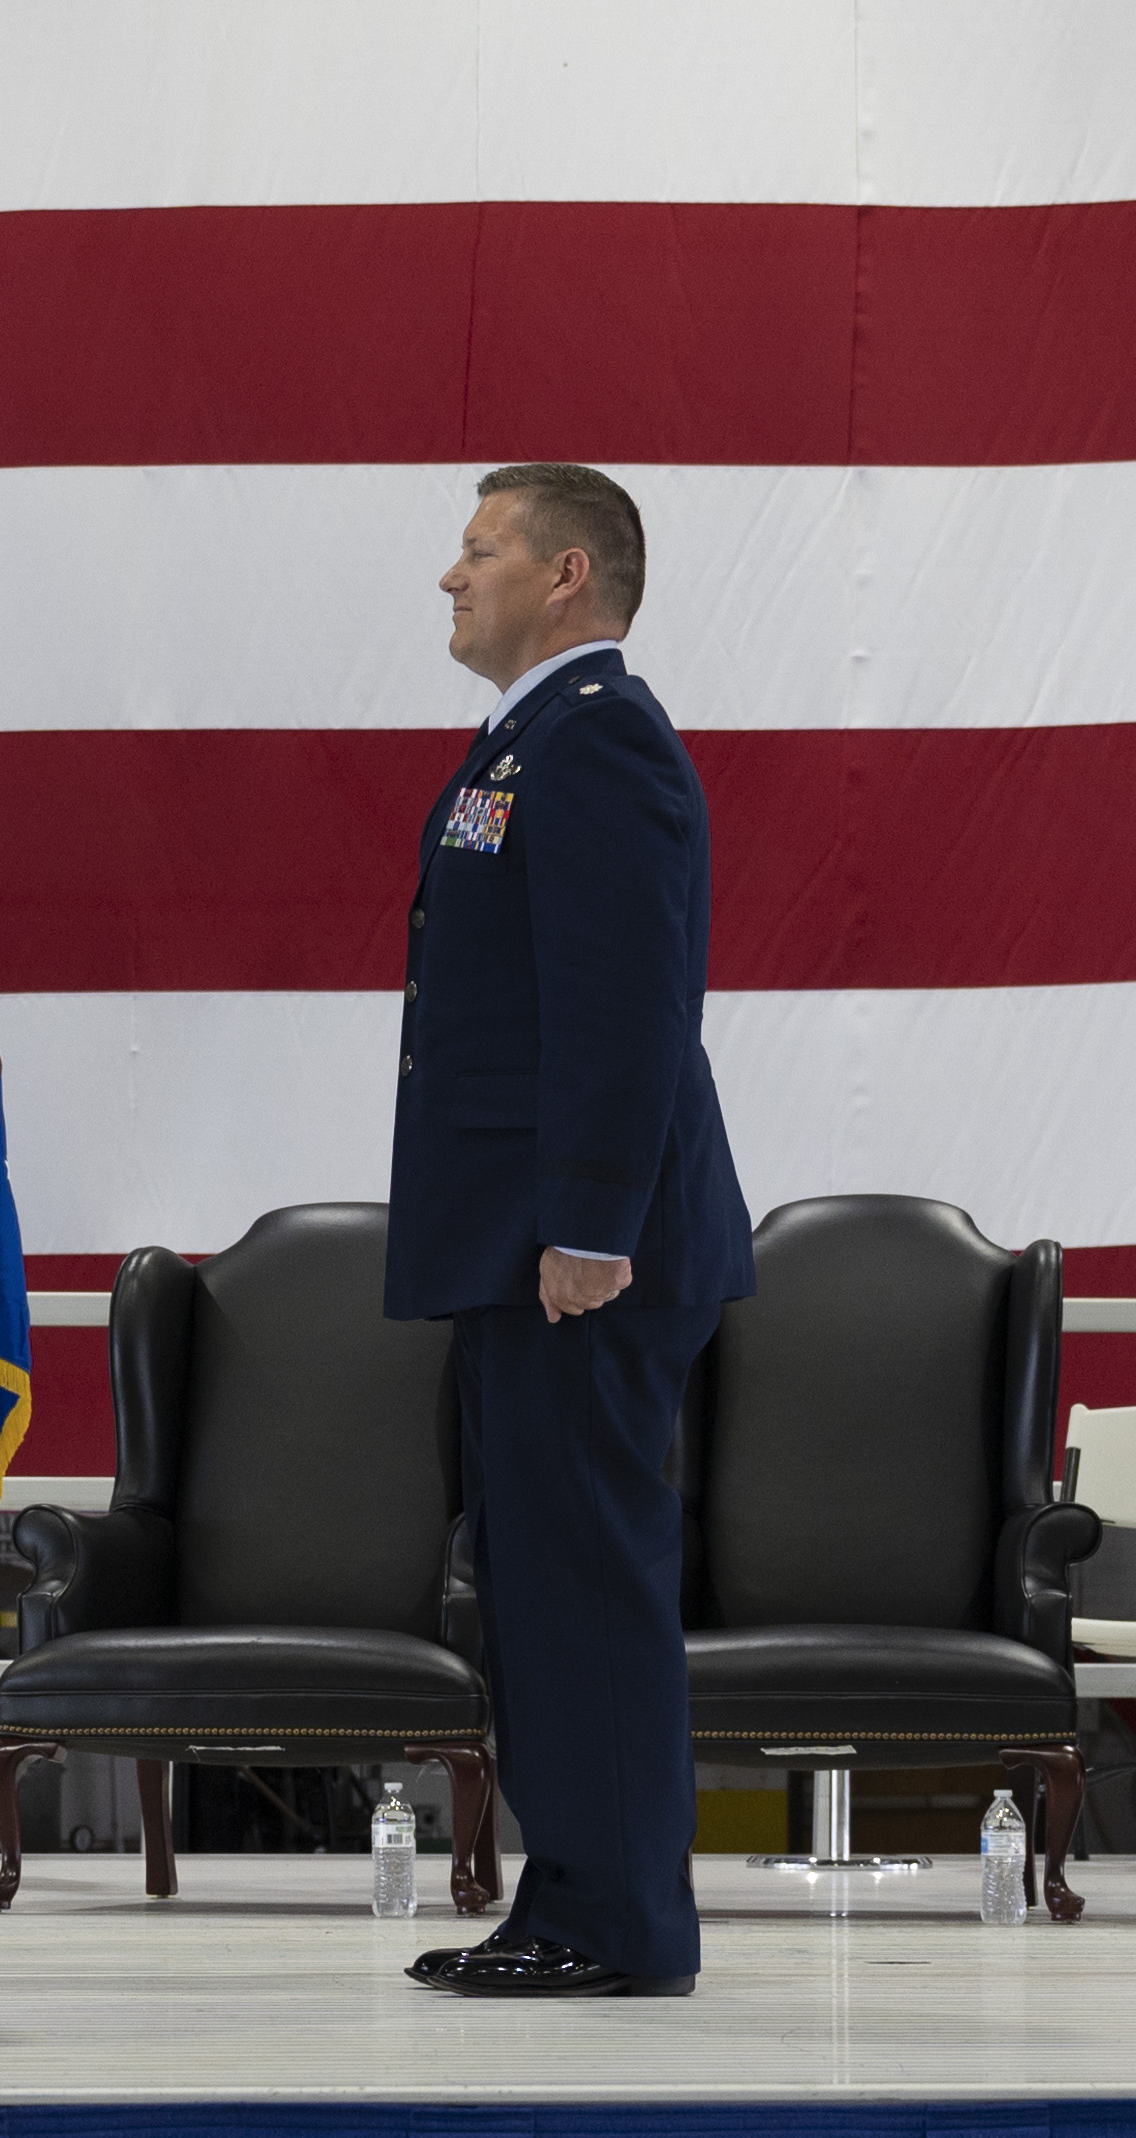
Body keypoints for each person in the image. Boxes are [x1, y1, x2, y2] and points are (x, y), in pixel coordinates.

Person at [389, 462, 753, 1999]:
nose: (448, 574)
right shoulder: (526, 739)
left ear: (564, 575)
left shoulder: (597, 737)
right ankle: (572, 1898)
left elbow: (625, 998)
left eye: (478, 549)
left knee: (584, 1584)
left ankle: (614, 1925)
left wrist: (592, 1222)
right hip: (527, 1242)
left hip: (583, 1253)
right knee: (538, 1582)